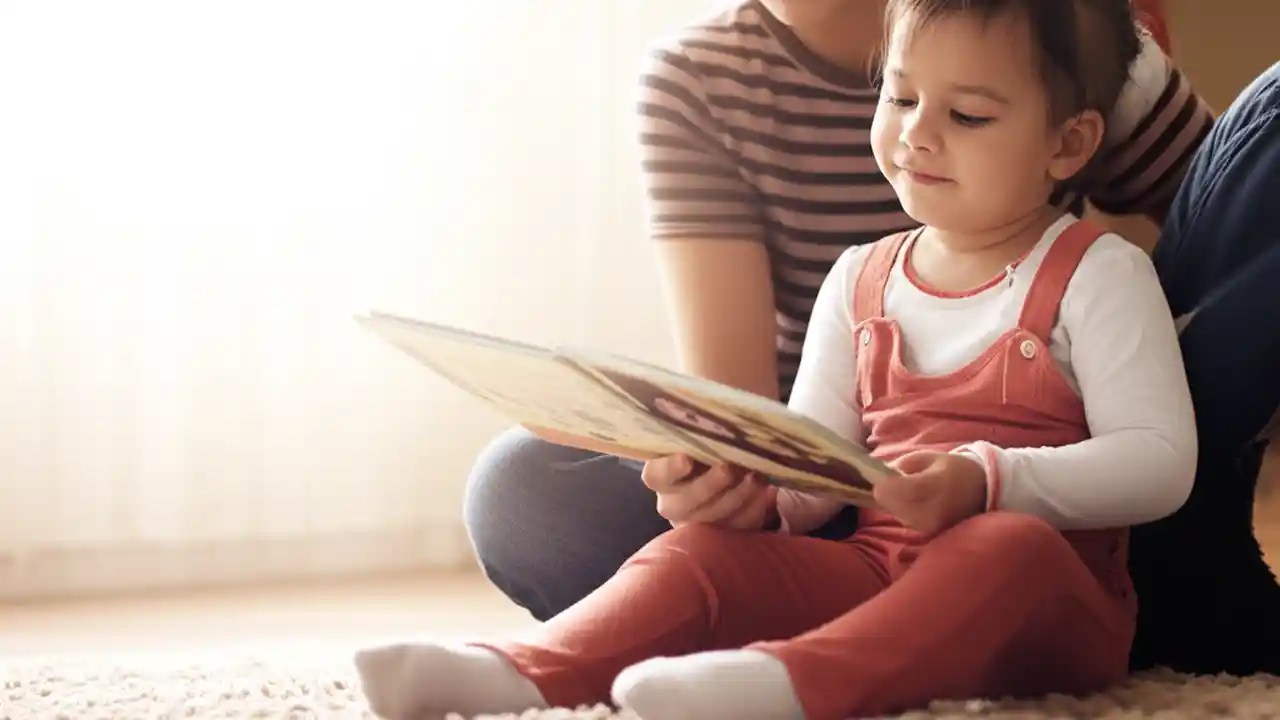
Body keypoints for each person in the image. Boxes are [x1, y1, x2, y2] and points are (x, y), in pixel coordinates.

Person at [351, 1, 1206, 718]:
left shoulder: (1097, 273)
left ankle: (788, 684)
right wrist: (750, 494)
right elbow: (811, 479)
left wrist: (985, 480)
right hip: (869, 566)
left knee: (1002, 548)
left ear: (1068, 144)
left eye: (967, 115)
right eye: (900, 96)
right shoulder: (861, 278)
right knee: (703, 554)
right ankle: (519, 670)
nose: (916, 135)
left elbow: (1160, 464)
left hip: (1048, 598)